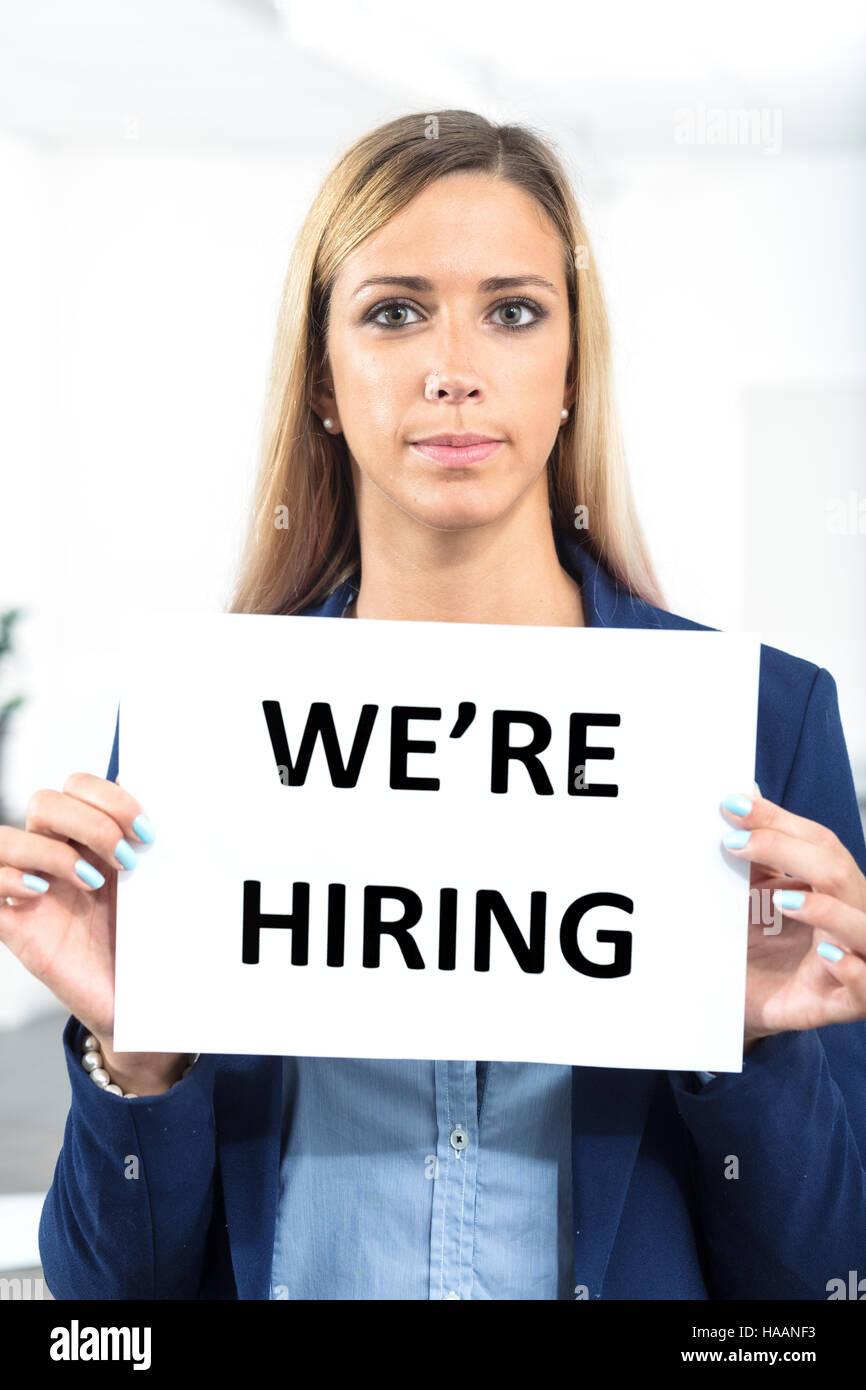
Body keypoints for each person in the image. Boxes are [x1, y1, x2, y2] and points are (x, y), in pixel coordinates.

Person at [2, 110, 865, 1300]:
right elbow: (111, 1314)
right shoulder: (199, 733)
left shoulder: (763, 728)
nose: (452, 365)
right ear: (320, 376)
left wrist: (752, 1051)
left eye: (512, 311)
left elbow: (823, 1292)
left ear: (570, 367)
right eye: (393, 310)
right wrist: (138, 1057)